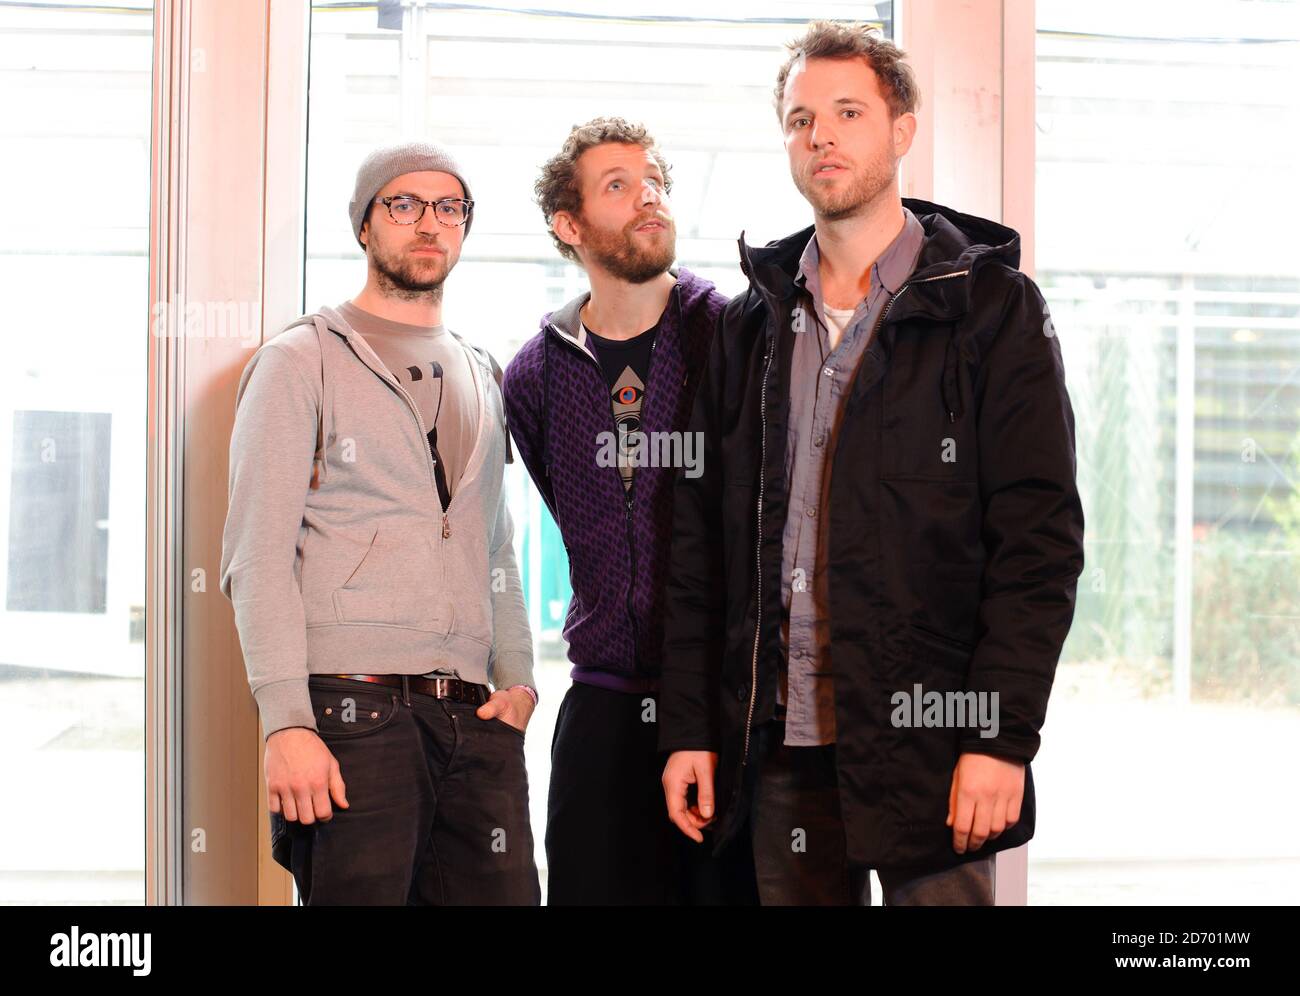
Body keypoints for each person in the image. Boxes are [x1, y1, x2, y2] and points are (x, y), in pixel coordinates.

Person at [658, 21, 1086, 905]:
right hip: (780, 747)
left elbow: (1036, 545)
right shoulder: (750, 326)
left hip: (933, 741)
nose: (821, 135)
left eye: (848, 112)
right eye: (800, 118)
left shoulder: (991, 311)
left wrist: (999, 739)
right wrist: (691, 729)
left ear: (901, 130)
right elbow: (701, 548)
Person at [219, 140, 540, 905]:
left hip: (473, 716)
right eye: (403, 204)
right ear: (365, 226)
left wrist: (520, 679)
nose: (429, 223)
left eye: (448, 208)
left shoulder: (482, 370)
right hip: (349, 712)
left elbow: (496, 542)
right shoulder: (302, 360)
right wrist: (286, 722)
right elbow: (256, 557)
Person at [503, 117, 757, 905]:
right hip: (603, 709)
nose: (648, 196)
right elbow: (575, 514)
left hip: (724, 708)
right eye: (618, 185)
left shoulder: (735, 336)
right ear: (569, 225)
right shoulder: (534, 376)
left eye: (655, 181)